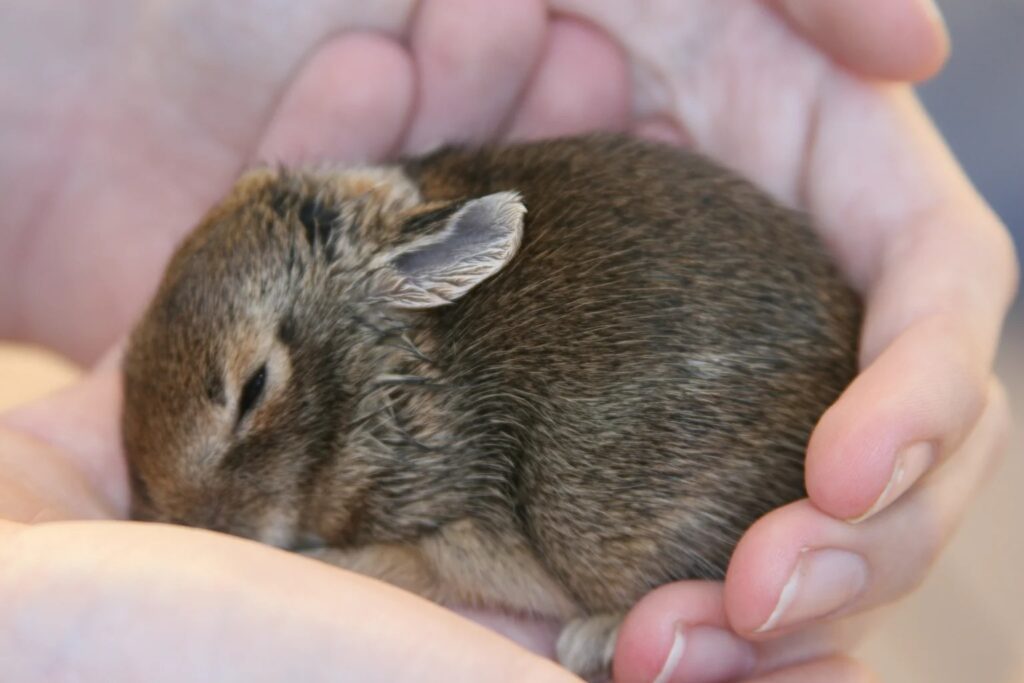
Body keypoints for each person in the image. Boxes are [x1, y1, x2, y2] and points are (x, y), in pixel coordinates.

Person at [0, 1, 1015, 681]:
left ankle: (668, 585)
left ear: (417, 270)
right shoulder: (309, 337)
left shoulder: (409, 382)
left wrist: (389, 565)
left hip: (668, 438)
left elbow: (450, 543)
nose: (191, 511)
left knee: (612, 513)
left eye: (257, 391)